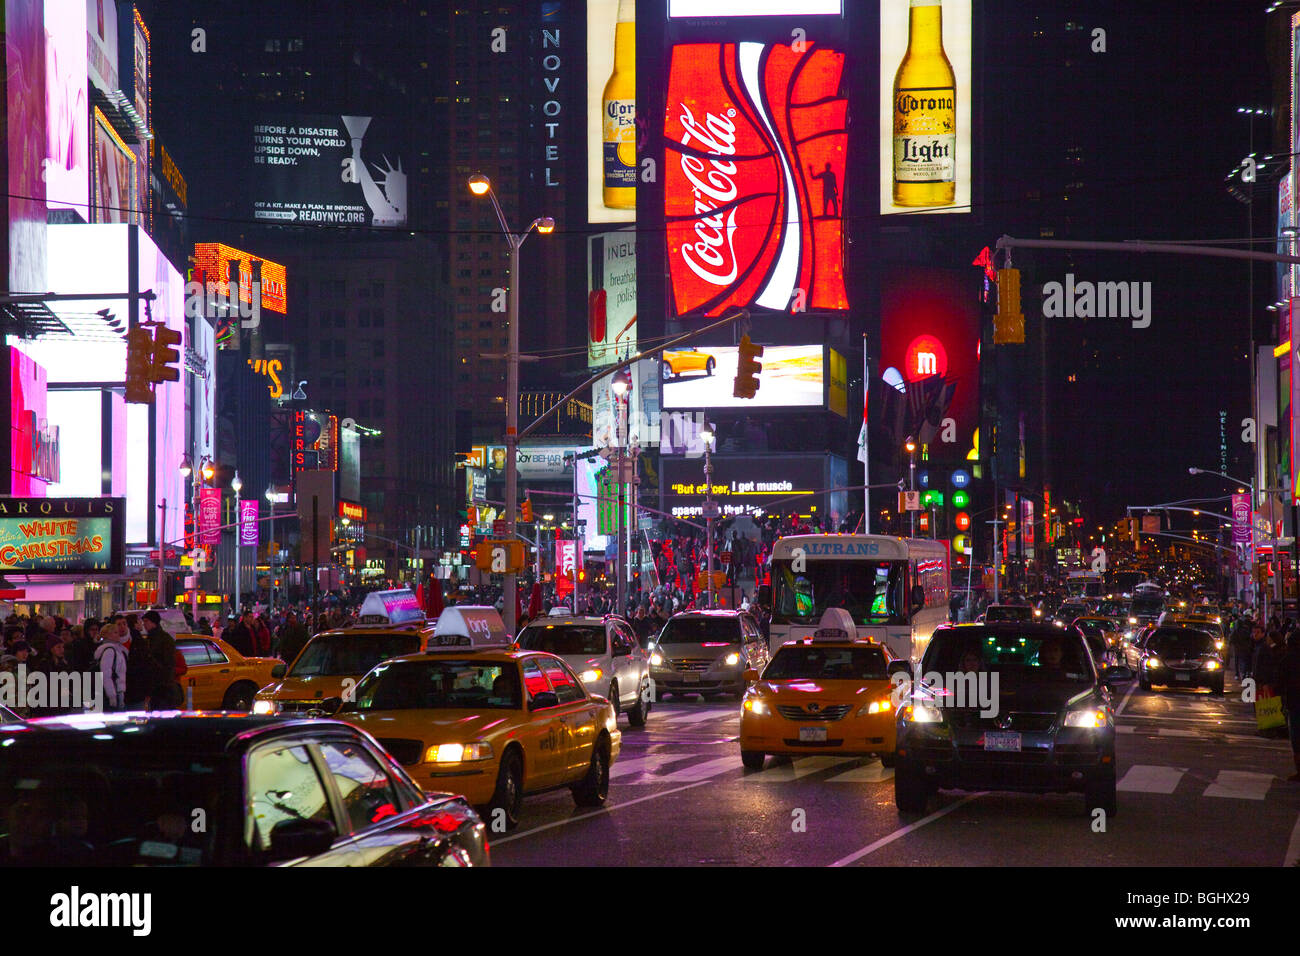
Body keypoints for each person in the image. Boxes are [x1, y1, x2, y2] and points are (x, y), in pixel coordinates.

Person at [141, 610, 182, 710]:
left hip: (163, 687)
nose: (144, 624)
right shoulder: (150, 638)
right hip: (154, 686)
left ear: (153, 622)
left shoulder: (164, 639)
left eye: (146, 621)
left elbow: (169, 663)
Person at [94, 621, 128, 712]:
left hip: (114, 691)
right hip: (112, 693)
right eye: (115, 632)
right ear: (107, 635)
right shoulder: (110, 651)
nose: (118, 635)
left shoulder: (116, 649)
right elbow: (106, 674)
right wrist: (112, 695)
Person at [1281, 628, 1300, 782]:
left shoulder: (1288, 659)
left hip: (1294, 703)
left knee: (1297, 738)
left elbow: (1281, 680)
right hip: (1293, 702)